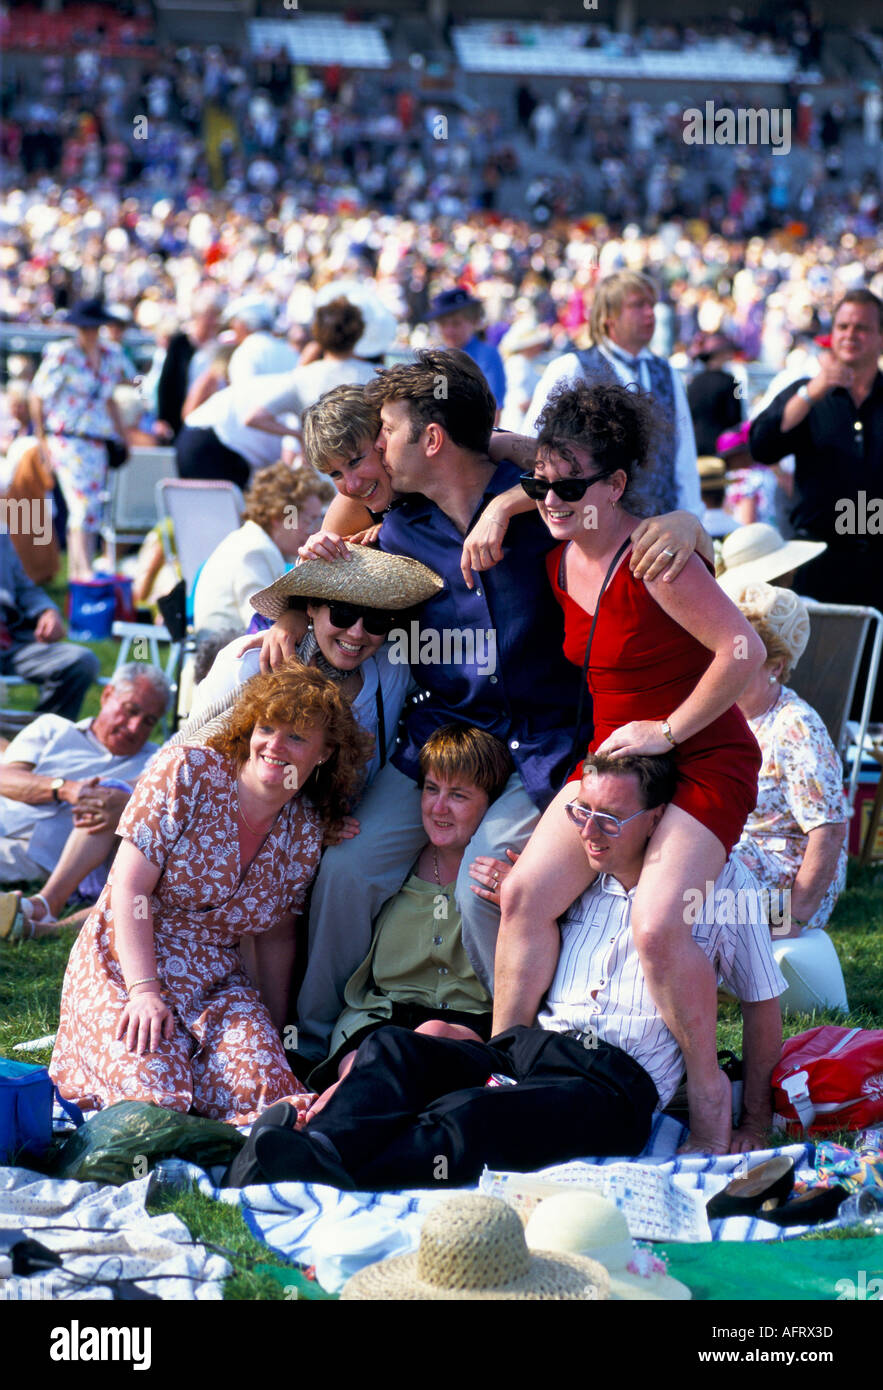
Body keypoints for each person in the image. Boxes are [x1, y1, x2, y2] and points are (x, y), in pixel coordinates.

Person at [257, 352, 710, 1062]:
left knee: (482, 888)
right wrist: (288, 615)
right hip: (444, 738)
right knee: (346, 872)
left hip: (548, 742)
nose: (374, 450)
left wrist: (683, 522)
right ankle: (311, 1050)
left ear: (431, 438)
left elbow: (615, 499)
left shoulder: (545, 503)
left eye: (387, 432)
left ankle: (507, 1053)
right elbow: (322, 575)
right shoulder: (398, 525)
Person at [226, 754, 785, 1191]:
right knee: (395, 1049)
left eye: (611, 819)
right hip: (532, 1046)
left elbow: (762, 1003)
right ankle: (318, 1149)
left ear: (659, 819)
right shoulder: (574, 870)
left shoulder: (723, 888)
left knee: (471, 1116)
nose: (590, 832)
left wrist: (754, 1124)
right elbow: (527, 913)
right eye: (582, 812)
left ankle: (311, 1163)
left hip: (615, 1084)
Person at [493, 382, 765, 1154]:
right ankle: (505, 1068)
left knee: (654, 925)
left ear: (614, 485)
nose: (549, 497)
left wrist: (671, 730)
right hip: (617, 761)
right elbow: (501, 446)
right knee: (521, 894)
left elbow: (740, 652)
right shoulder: (555, 553)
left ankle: (706, 1086)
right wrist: (503, 505)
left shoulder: (655, 555)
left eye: (568, 486)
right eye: (537, 484)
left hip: (702, 755)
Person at [49, 665, 372, 1124]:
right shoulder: (185, 772)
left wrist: (271, 1033)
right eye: (266, 728)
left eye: (297, 737)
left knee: (266, 1092)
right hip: (126, 962)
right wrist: (143, 991)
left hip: (217, 982)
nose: (274, 746)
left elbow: (276, 938)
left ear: (325, 754)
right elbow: (130, 887)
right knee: (150, 1097)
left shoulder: (304, 827)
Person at [309, 725, 515, 1102]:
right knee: (363, 1060)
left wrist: (518, 898)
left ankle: (321, 1116)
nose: (438, 807)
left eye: (458, 795)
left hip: (465, 1024)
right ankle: (329, 1115)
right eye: (432, 789)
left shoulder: (506, 877)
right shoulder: (391, 866)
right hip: (379, 1017)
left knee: (429, 1037)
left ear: (490, 803)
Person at [180, 546, 443, 802]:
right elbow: (192, 762)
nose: (356, 632)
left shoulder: (391, 668)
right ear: (311, 606)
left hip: (344, 831)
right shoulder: (249, 663)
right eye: (343, 613)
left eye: (377, 620)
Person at [749, 289, 883, 716]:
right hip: (818, 559)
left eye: (862, 327)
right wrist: (814, 391)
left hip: (879, 558)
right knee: (820, 687)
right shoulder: (807, 393)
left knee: (876, 695)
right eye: (843, 326)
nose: (851, 335)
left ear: (880, 337)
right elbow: (762, 444)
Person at [731, 582, 849, 1014]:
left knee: (691, 864)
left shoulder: (795, 726)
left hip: (792, 876)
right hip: (742, 856)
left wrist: (794, 918)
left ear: (775, 667)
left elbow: (829, 832)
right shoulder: (723, 712)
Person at [0, 664, 170, 939]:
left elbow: (159, 798)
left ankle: (44, 905)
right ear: (107, 695)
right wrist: (65, 789)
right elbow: (4, 778)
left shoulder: (154, 760)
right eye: (130, 710)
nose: (135, 727)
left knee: (108, 791)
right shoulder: (52, 728)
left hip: (39, 855)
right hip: (6, 818)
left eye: (149, 721)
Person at [526, 271, 702, 520]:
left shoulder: (667, 372)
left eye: (651, 304)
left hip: (661, 526)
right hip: (594, 527)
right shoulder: (571, 367)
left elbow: (684, 453)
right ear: (609, 316)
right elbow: (533, 446)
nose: (650, 313)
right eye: (637, 305)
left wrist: (691, 517)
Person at [28, 298, 129, 579]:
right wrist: (42, 439)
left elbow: (113, 399)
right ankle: (83, 569)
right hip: (66, 438)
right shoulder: (63, 353)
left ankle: (79, 571)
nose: (89, 332)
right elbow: (37, 394)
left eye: (93, 327)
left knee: (93, 506)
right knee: (81, 505)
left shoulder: (111, 355)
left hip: (98, 439)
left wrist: (123, 436)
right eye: (85, 327)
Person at [192, 464, 333, 634]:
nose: (314, 531)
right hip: (226, 656)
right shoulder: (256, 551)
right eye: (308, 520)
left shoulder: (247, 540)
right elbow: (262, 628)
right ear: (278, 516)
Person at [0, 531, 100, 720]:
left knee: (81, 662)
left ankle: (43, 736)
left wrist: (47, 611)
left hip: (13, 640)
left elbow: (24, 588)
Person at [242, 299, 376, 438]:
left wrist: (300, 436)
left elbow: (254, 418)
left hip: (318, 457)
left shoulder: (301, 377)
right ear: (359, 332)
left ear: (317, 331)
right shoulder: (377, 375)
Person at [425, 288, 506, 415]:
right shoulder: (439, 357)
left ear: (473, 321)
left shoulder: (488, 355)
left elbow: (494, 408)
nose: (449, 331)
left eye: (456, 324)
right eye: (443, 325)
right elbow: (438, 401)